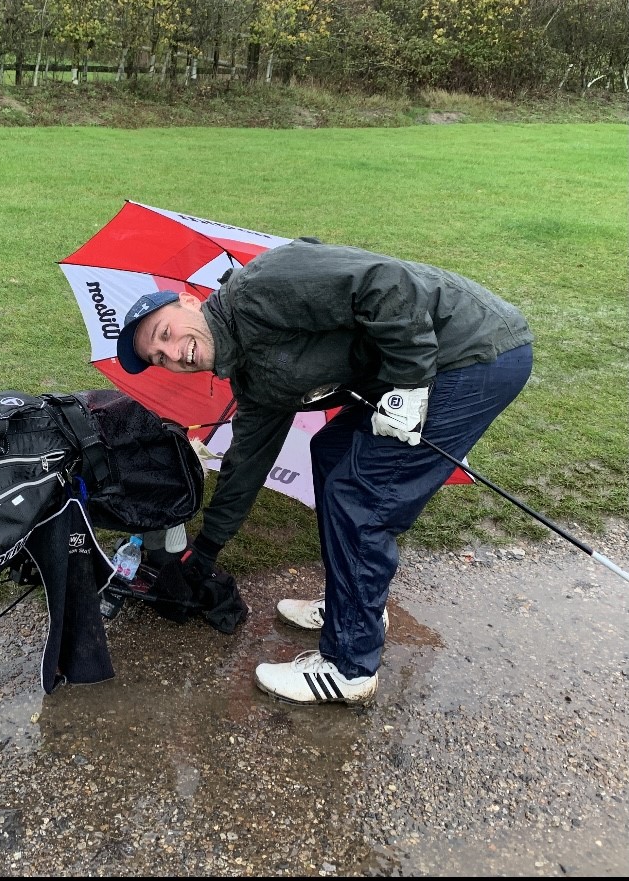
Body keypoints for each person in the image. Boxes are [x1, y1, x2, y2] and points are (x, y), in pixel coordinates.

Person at [115, 237, 534, 706]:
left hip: (472, 353)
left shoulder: (259, 287)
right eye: (159, 358)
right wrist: (207, 548)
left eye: (165, 333)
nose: (173, 353)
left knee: (359, 497)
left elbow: (385, 283)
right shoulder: (253, 377)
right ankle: (351, 608)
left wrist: (410, 384)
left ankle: (349, 667)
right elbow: (247, 461)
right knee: (332, 451)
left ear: (189, 302)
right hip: (432, 365)